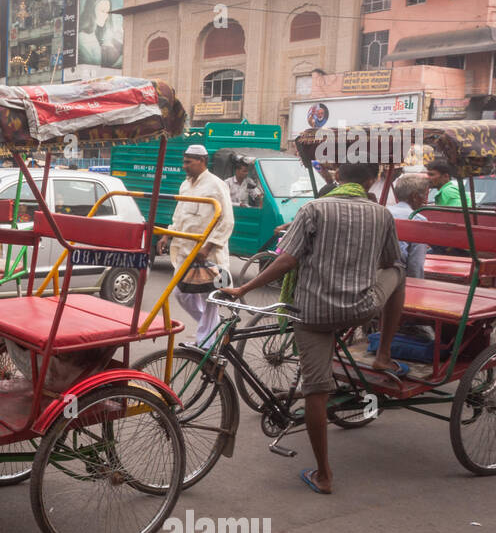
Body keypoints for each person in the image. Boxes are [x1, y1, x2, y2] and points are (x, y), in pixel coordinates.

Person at [221, 161, 406, 495]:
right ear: (372, 179)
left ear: (337, 177)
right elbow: (388, 261)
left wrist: (243, 289)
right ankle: (383, 354)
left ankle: (325, 474)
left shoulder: (313, 209)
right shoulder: (383, 215)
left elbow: (286, 260)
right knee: (398, 271)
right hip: (359, 310)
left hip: (312, 313)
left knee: (315, 391)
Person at [169, 144, 235, 345]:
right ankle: (212, 328)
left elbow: (227, 220)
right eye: (184, 161)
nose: (184, 166)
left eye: (189, 162)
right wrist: (168, 235)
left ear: (202, 161)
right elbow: (179, 215)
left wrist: (208, 247)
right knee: (180, 294)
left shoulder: (216, 185)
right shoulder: (185, 185)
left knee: (210, 300)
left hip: (209, 255)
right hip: (185, 253)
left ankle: (205, 345)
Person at [387, 173, 429, 279]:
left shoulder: (383, 211)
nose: (425, 201)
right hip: (398, 275)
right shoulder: (418, 220)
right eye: (424, 195)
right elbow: (416, 264)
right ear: (415, 196)